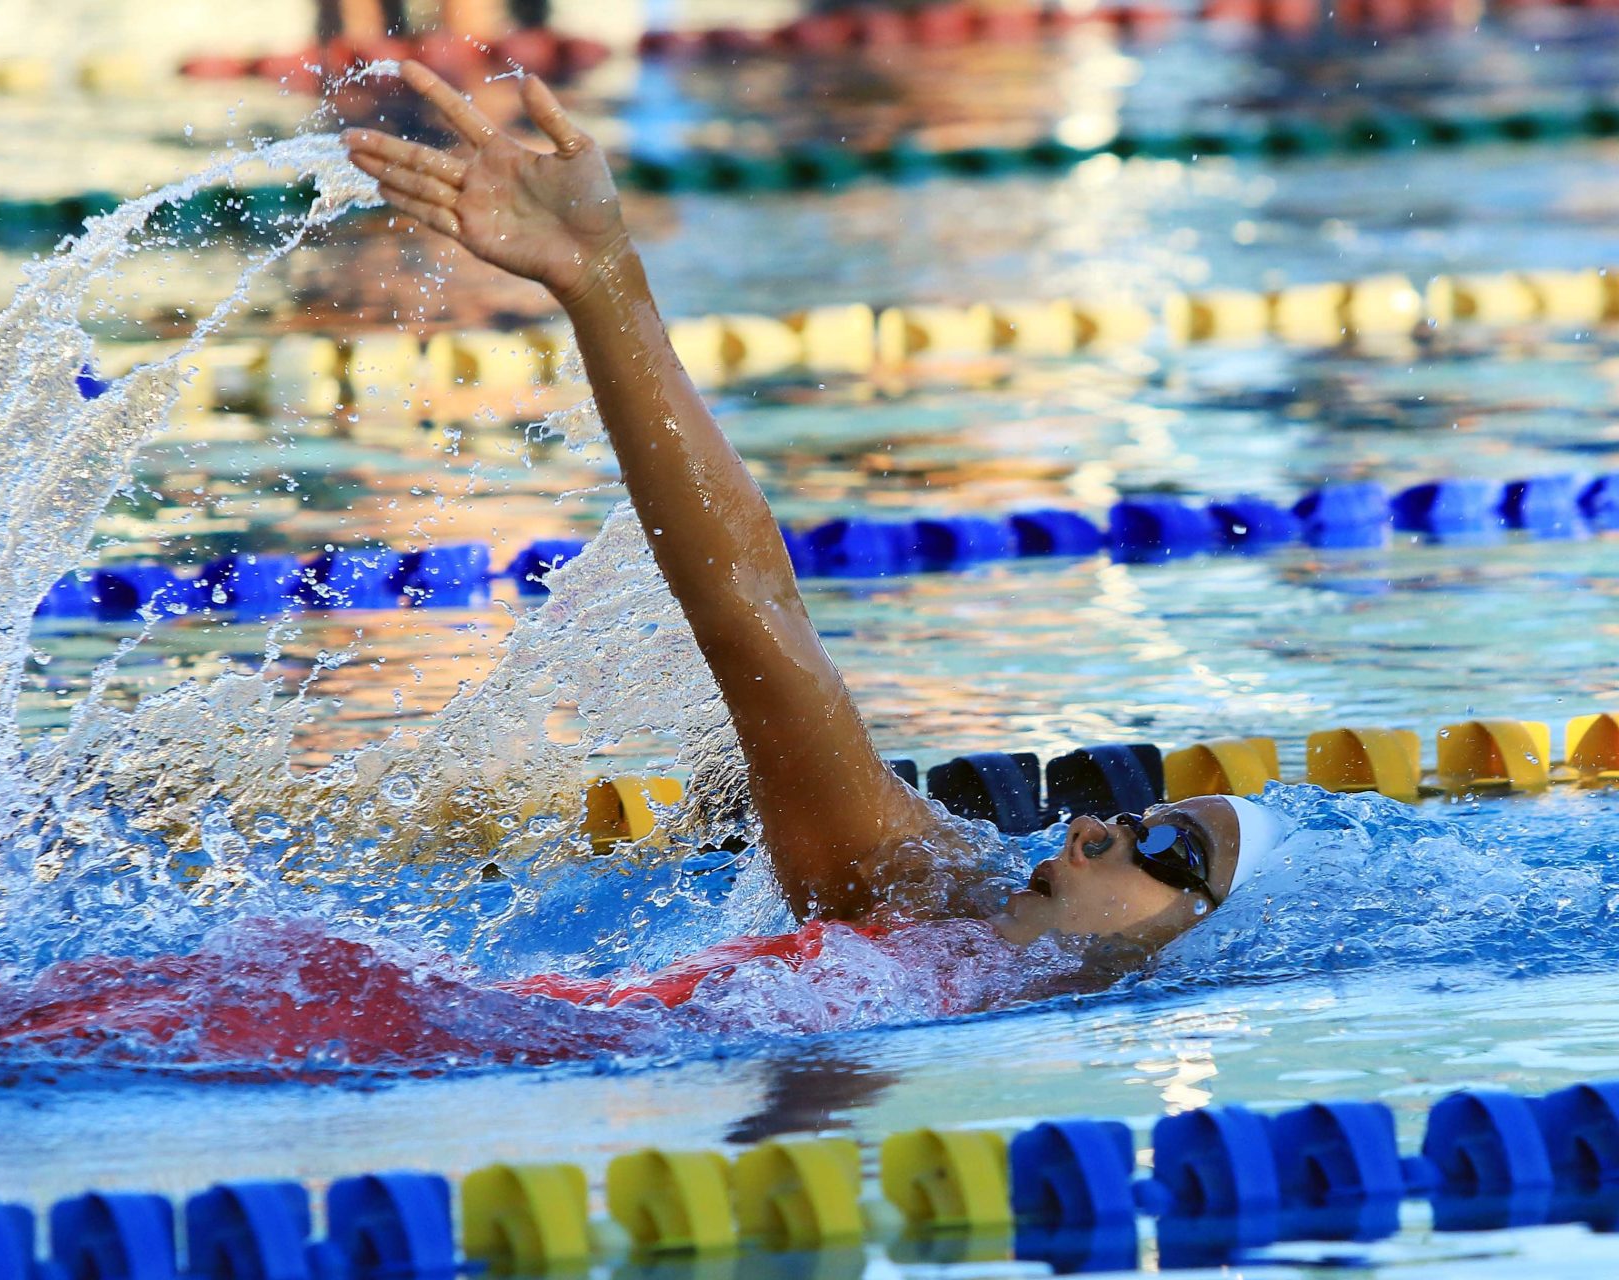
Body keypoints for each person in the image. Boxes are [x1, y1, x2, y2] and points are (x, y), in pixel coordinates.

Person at [344, 63, 1290, 964]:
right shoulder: (919, 892)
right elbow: (752, 611)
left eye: (1165, 847)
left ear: (1209, 937)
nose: (1086, 827)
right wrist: (601, 280)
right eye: (1130, 818)